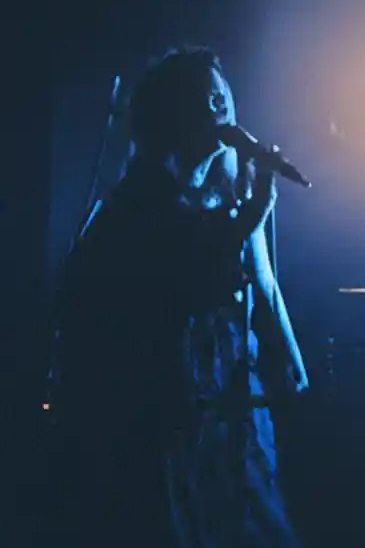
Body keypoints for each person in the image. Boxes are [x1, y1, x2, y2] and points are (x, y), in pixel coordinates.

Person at [49, 47, 308, 547]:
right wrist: (252, 215)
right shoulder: (134, 209)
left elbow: (262, 281)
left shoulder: (224, 196)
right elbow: (179, 282)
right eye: (208, 100)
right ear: (174, 114)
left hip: (235, 413)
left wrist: (293, 363)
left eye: (225, 98)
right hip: (166, 426)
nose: (222, 111)